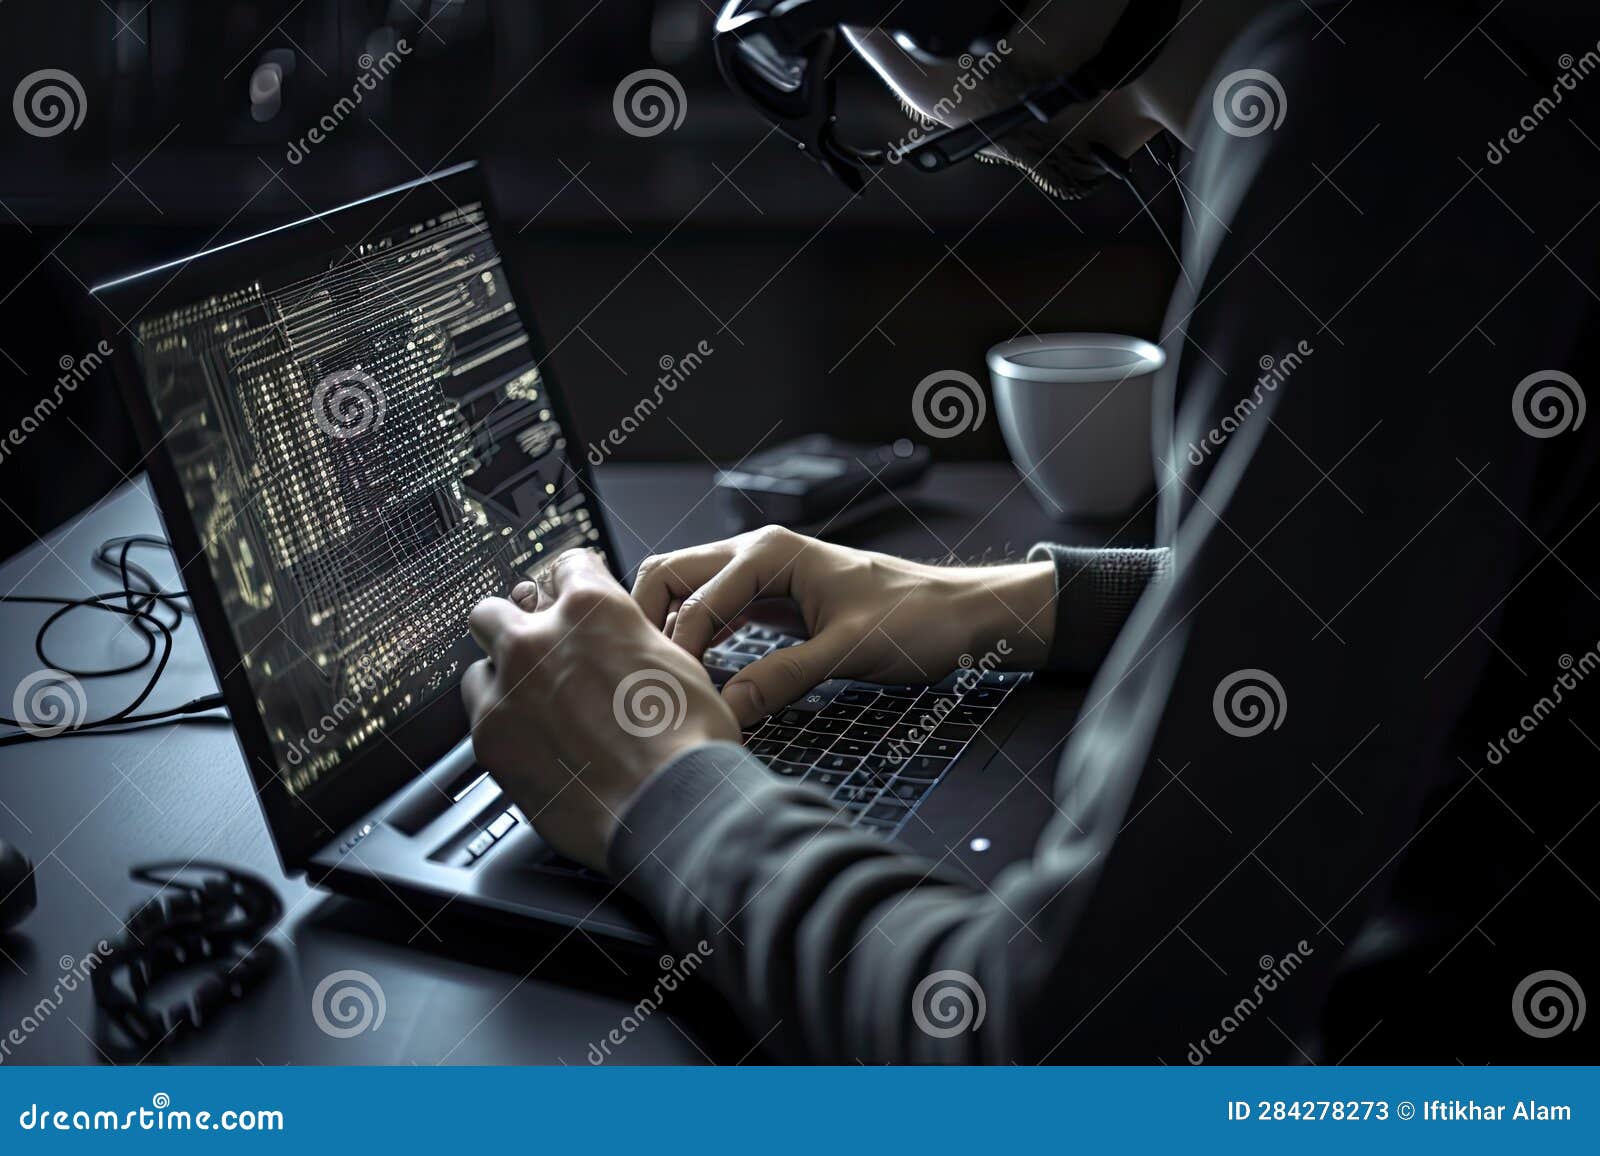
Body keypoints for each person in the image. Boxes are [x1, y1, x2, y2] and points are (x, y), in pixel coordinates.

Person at [463, 0, 1600, 1062]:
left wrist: (661, 789)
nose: (903, 109)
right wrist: (1004, 605)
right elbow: (1465, 586)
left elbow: (1074, 1044)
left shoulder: (1361, 117)